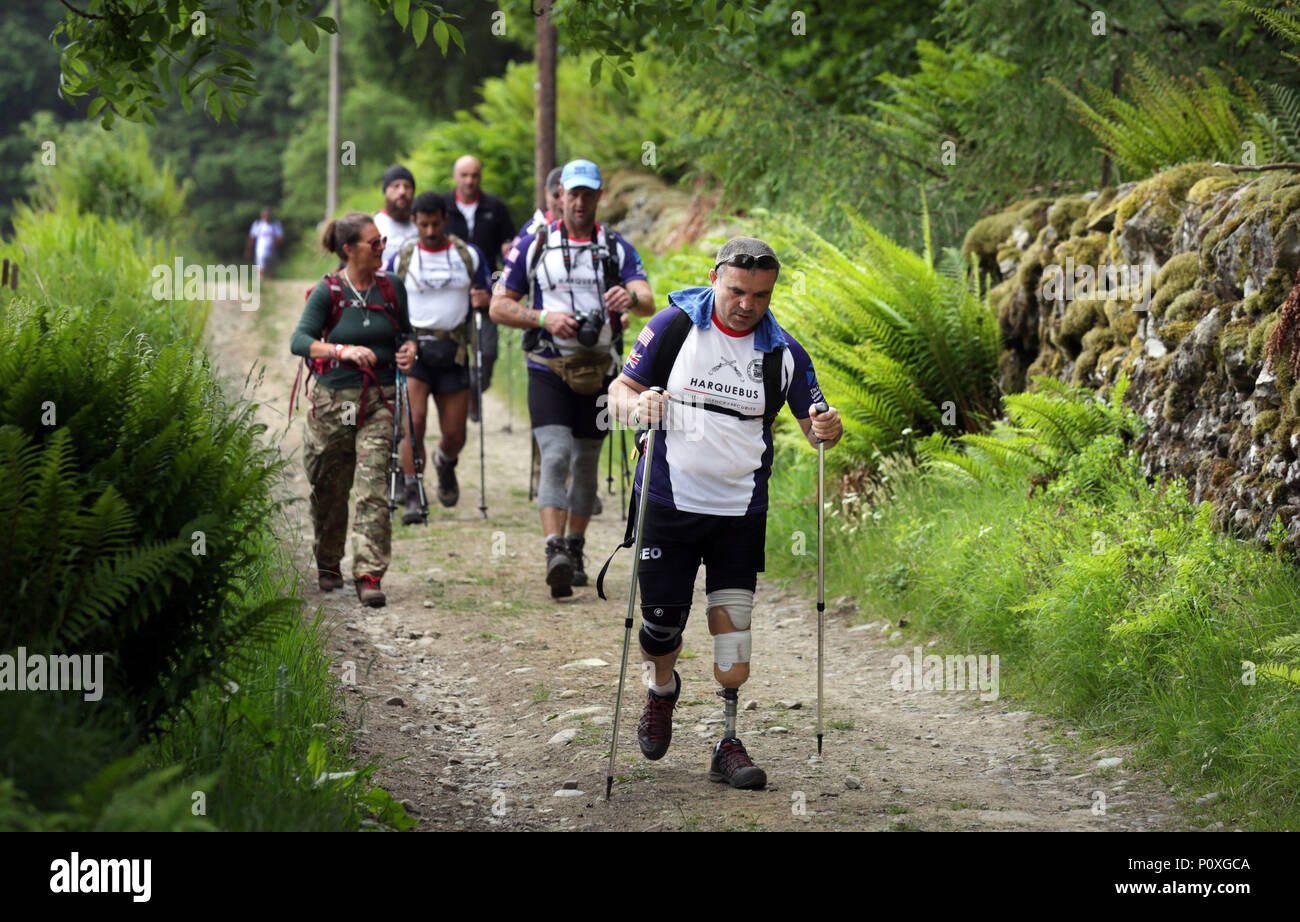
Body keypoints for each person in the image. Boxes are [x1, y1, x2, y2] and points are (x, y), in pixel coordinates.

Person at [604, 236, 843, 789]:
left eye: (760, 295)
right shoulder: (673, 327)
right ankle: (662, 690)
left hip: (739, 511)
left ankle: (726, 742)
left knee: (733, 641)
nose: (746, 304)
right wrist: (637, 405)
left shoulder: (782, 351)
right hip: (668, 503)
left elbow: (816, 428)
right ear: (714, 277)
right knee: (659, 630)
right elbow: (619, 391)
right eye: (737, 290)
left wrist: (827, 429)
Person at [490, 158, 654, 598]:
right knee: (557, 454)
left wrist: (630, 295)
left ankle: (576, 547)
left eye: (588, 194)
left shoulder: (615, 246)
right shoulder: (536, 243)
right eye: (572, 194)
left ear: (599, 197)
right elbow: (499, 304)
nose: (579, 202)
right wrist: (544, 317)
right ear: (559, 196)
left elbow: (647, 300)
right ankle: (553, 549)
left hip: (600, 368)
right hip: (548, 365)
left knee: (585, 463)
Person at [290, 211, 417, 607]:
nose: (382, 248)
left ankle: (368, 573)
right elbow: (300, 341)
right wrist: (342, 350)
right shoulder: (327, 292)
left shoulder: (392, 287)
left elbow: (407, 334)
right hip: (332, 403)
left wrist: (410, 350)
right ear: (349, 249)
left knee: (373, 485)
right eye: (374, 243)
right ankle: (328, 563)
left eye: (383, 241)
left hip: (379, 399)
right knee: (329, 488)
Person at [384, 191, 491, 520]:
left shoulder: (467, 255)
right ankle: (414, 493)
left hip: (454, 351)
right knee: (413, 422)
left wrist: (484, 299)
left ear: (446, 219)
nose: (430, 231)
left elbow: (489, 293)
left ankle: (446, 461)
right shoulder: (402, 257)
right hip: (414, 350)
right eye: (423, 224)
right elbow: (387, 298)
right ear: (415, 222)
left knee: (455, 434)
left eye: (435, 223)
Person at [444, 155, 516, 420]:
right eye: (464, 175)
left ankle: (475, 390)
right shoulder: (443, 207)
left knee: (488, 352)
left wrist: (496, 288)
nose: (469, 181)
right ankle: (460, 398)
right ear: (455, 177)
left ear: (480, 177)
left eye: (474, 175)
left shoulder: (495, 207)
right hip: (451, 295)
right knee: (456, 354)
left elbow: (509, 253)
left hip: (487, 294)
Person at [374, 164, 418, 268]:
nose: (402, 192)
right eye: (396, 186)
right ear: (385, 191)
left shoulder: (424, 225)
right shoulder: (374, 225)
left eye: (407, 186)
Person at [246, 208, 283, 280]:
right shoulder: (258, 225)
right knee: (261, 267)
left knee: (270, 268)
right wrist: (248, 250)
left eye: (268, 215)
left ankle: (268, 283)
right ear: (262, 216)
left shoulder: (275, 225)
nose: (267, 217)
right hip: (260, 250)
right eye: (265, 215)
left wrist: (276, 244)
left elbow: (281, 237)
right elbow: (252, 238)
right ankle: (262, 281)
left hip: (272, 251)